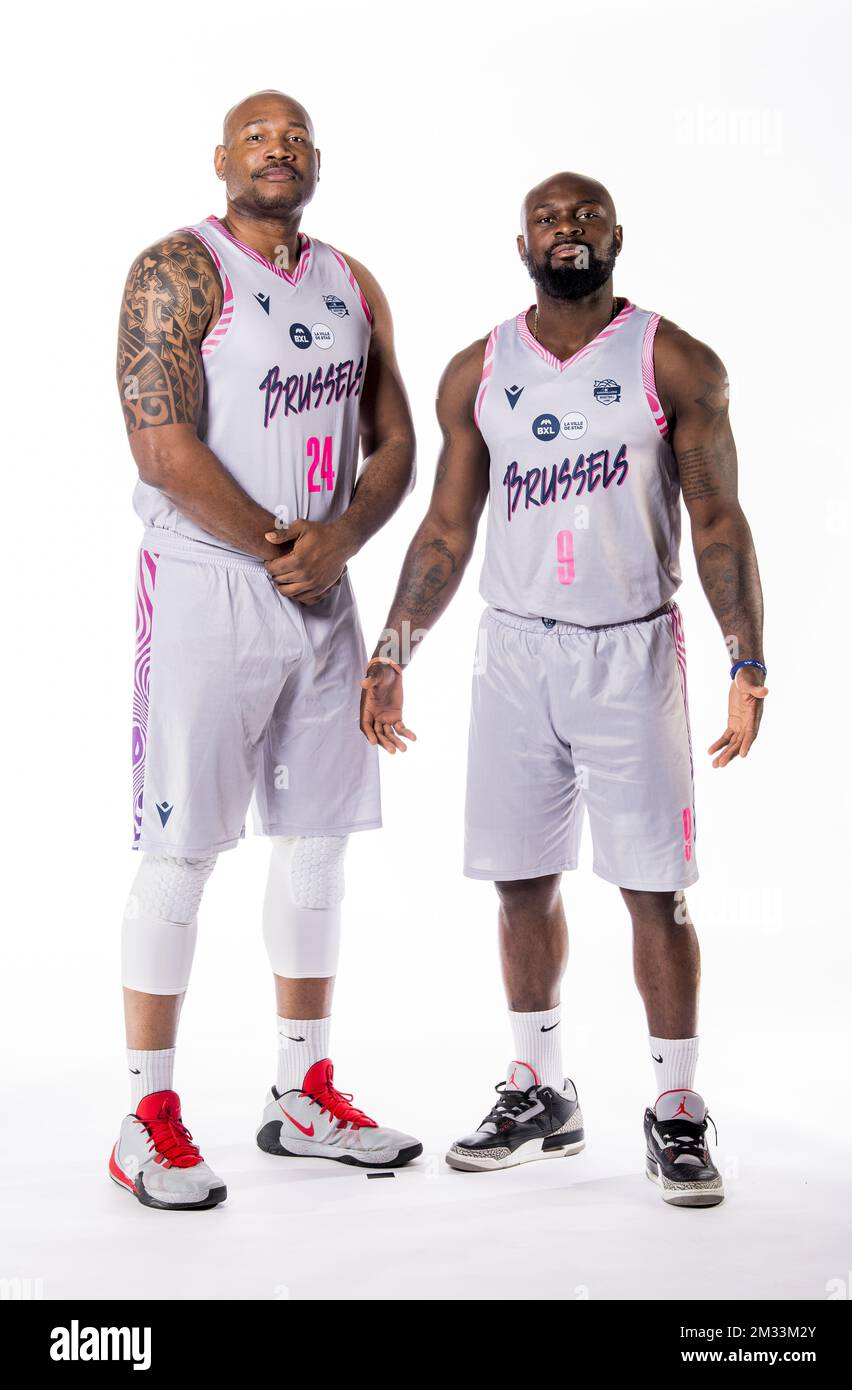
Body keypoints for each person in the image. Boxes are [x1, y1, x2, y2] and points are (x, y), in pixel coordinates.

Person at [361, 171, 767, 1207]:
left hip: (630, 650)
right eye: (548, 217)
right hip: (515, 653)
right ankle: (538, 1086)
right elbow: (448, 527)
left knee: (651, 887)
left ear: (615, 235)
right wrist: (395, 645)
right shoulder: (477, 371)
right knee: (519, 878)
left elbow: (717, 520)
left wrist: (744, 658)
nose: (567, 230)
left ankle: (675, 1107)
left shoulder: (670, 359)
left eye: (585, 216)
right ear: (521, 243)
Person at [111, 90, 421, 1210]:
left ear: (317, 162)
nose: (275, 150)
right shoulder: (174, 270)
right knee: (184, 849)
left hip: (322, 591)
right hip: (208, 588)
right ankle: (146, 1117)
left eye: (292, 138)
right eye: (256, 137)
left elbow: (396, 439)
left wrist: (336, 540)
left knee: (317, 842)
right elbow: (159, 442)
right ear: (221, 160)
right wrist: (275, 545)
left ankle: (301, 1093)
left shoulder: (349, 280)